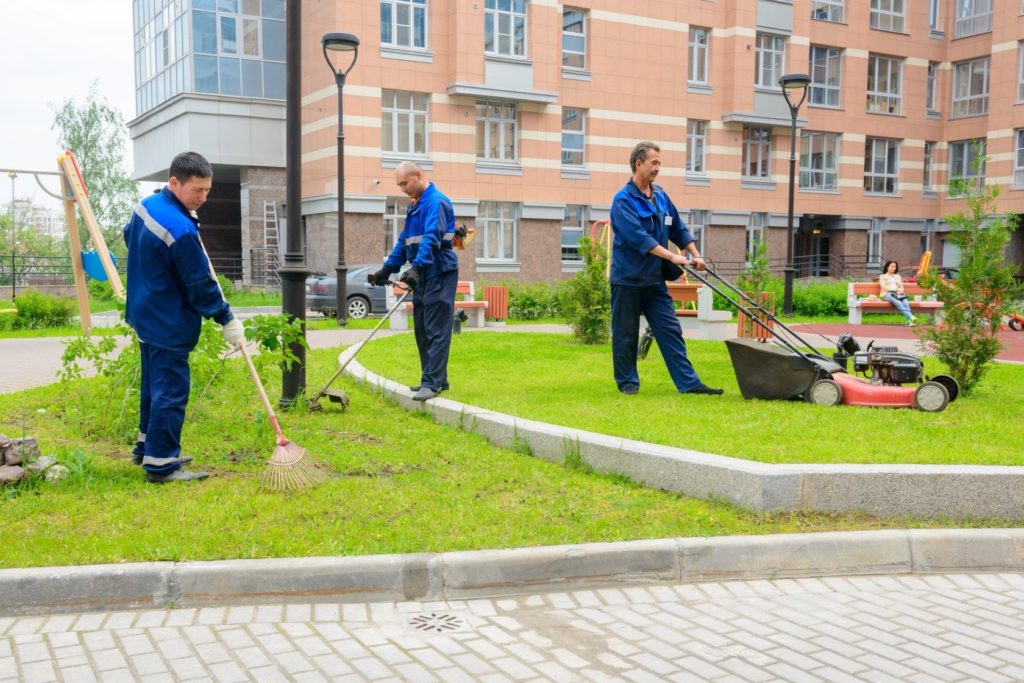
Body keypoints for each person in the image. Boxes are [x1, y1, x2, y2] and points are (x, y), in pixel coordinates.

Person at [123, 151, 245, 483]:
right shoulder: (180, 228)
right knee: (171, 390)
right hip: (166, 321)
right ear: (174, 182)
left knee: (153, 386)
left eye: (207, 190)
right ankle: (162, 464)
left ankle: (148, 447)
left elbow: (127, 235)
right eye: (197, 191)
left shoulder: (147, 206)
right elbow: (200, 285)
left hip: (144, 312)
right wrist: (226, 318)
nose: (203, 198)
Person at [609, 141, 723, 396]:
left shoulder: (660, 195)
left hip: (653, 280)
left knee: (670, 330)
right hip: (627, 280)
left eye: (659, 163)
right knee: (625, 334)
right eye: (654, 163)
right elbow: (639, 238)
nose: (658, 168)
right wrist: (673, 257)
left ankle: (689, 384)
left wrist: (695, 254)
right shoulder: (623, 200)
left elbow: (678, 228)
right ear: (639, 164)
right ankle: (628, 383)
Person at [368, 161, 458, 401]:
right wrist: (388, 268)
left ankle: (432, 382)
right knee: (422, 329)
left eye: (405, 183)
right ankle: (435, 379)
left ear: (419, 175)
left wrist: (418, 267)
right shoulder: (415, 206)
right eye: (399, 185)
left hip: (439, 270)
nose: (403, 189)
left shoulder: (436, 202)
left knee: (436, 328)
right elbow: (404, 240)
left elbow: (432, 237)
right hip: (424, 273)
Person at [879, 260, 916, 326]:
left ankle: (909, 321)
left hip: (898, 293)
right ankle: (911, 317)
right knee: (898, 302)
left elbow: (901, 287)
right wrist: (895, 289)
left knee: (906, 302)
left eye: (895, 266)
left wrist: (901, 290)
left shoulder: (897, 276)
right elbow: (883, 287)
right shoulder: (882, 276)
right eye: (892, 266)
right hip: (887, 294)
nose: (893, 268)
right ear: (887, 267)